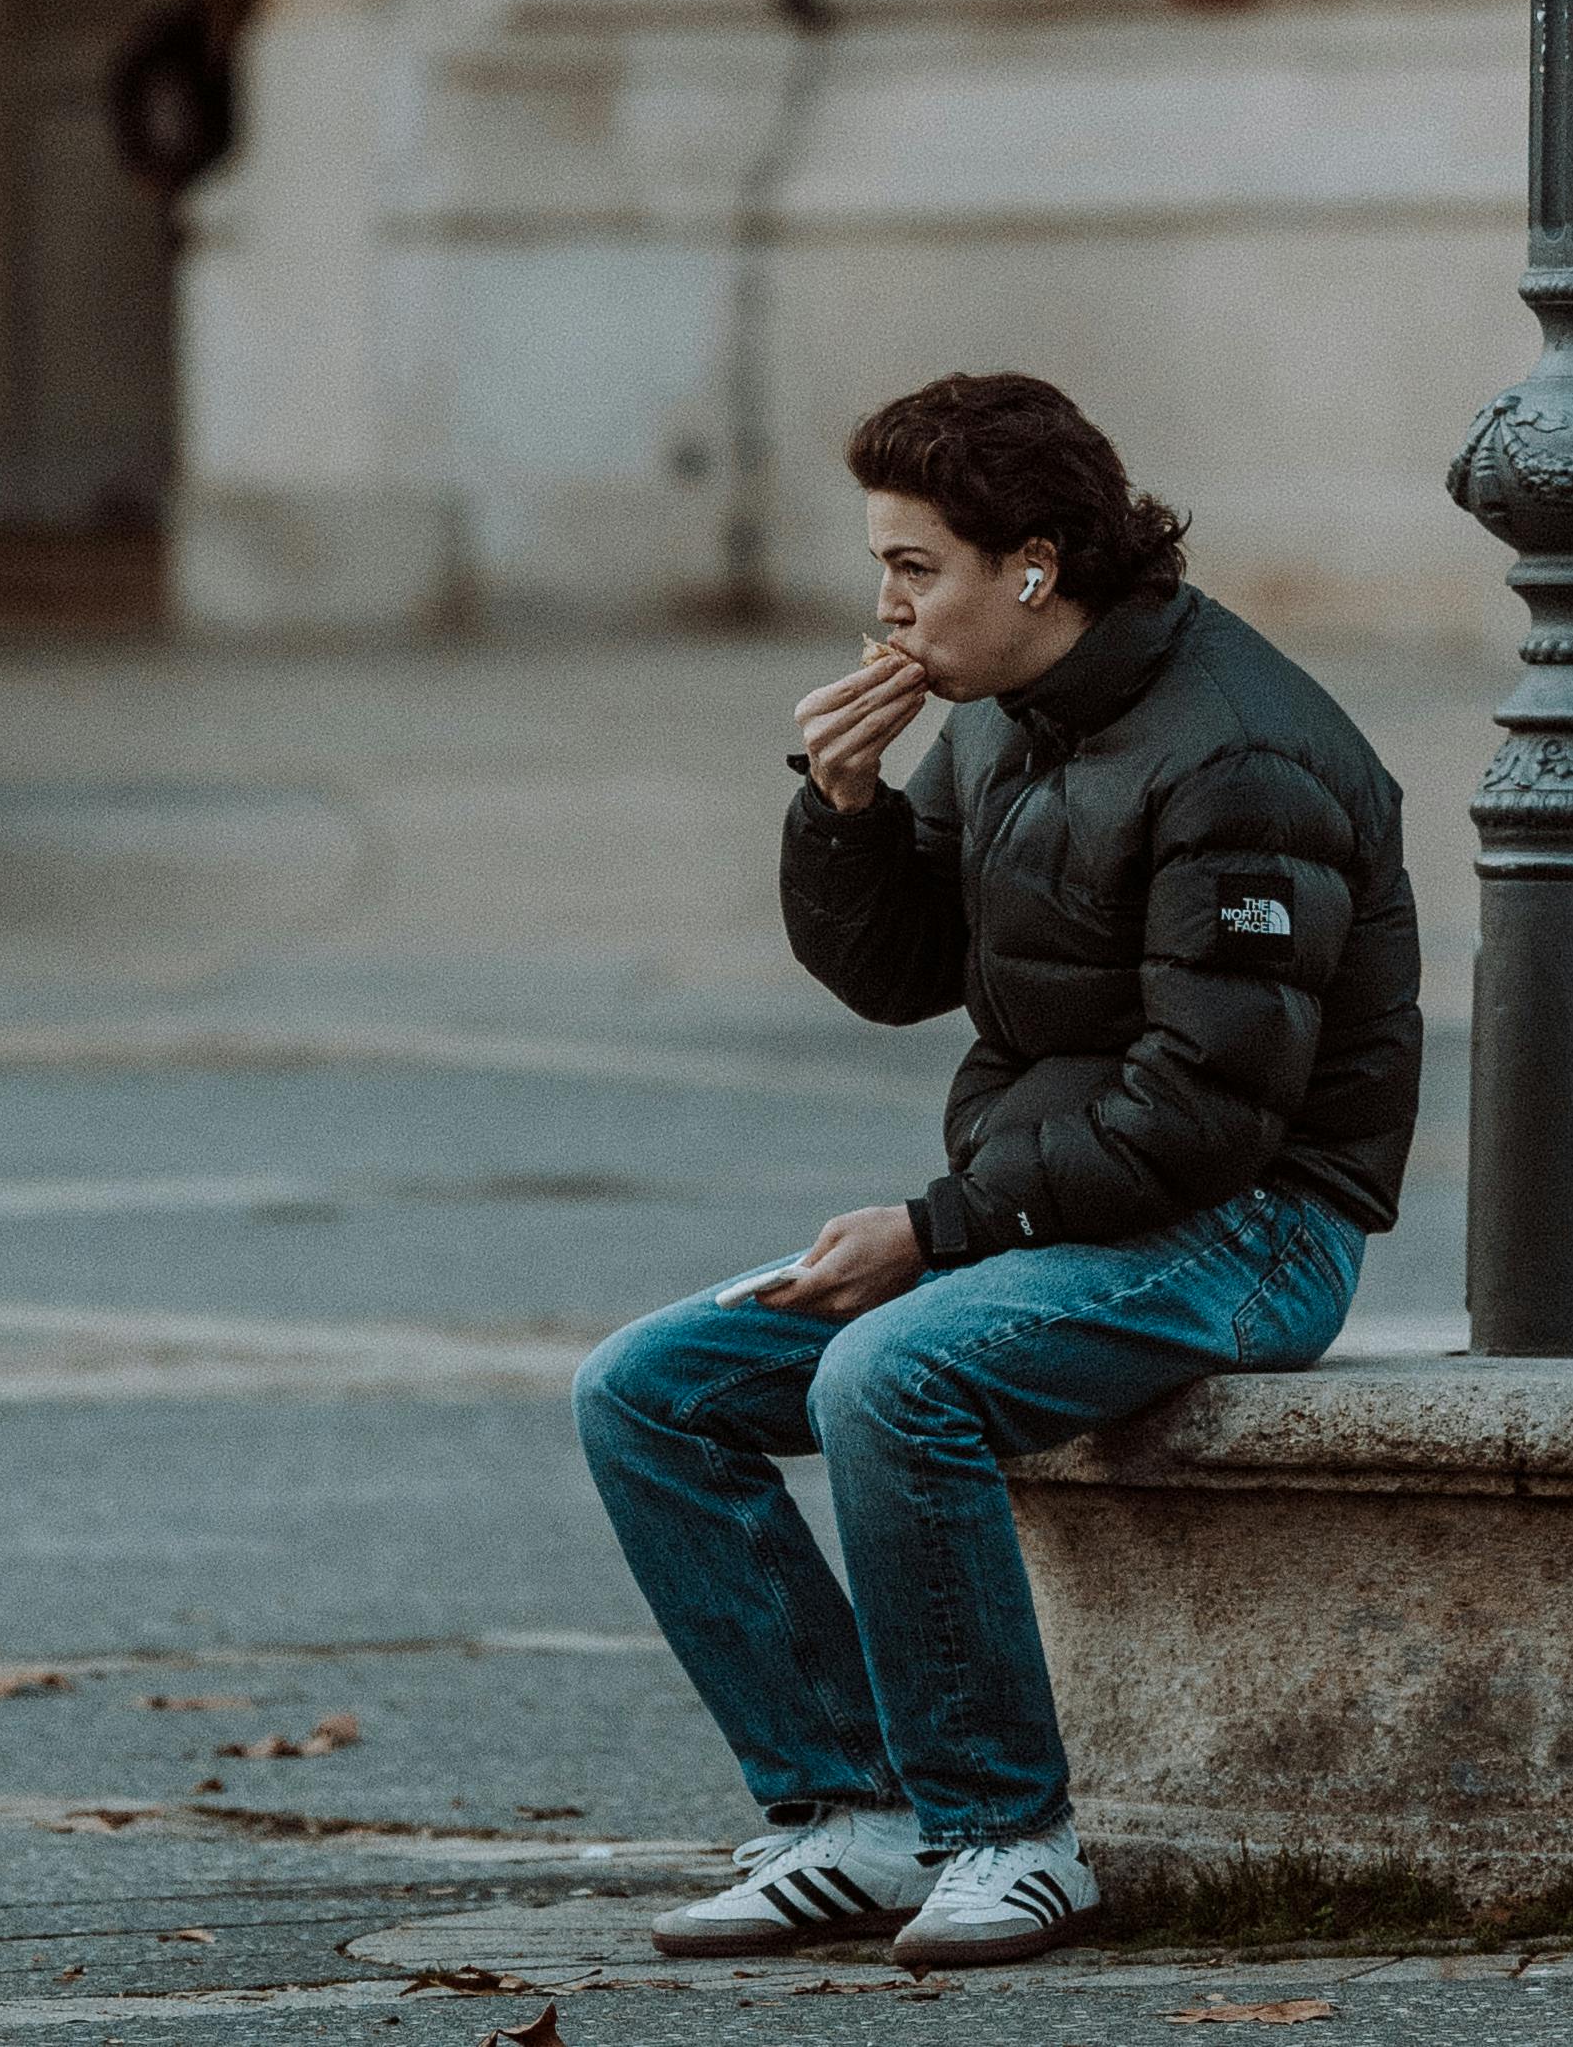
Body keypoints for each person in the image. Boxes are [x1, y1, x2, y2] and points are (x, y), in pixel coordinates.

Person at [573, 369, 1420, 1970]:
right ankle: (852, 1815)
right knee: (644, 1388)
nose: (879, 601)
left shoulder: (1237, 756)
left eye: (911, 566)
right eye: (883, 561)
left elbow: (1213, 1112)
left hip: (1251, 1227)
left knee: (891, 1374)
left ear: (1029, 564)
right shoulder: (1009, 719)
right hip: (1068, 1211)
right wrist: (838, 808)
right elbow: (900, 972)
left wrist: (935, 1230)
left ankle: (1007, 1838)